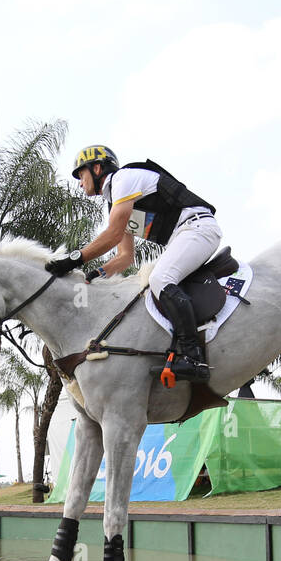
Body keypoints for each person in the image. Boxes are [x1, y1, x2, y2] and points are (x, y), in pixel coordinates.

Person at [46, 145, 220, 383]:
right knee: (155, 284)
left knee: (160, 279)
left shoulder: (123, 179)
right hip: (183, 235)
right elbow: (125, 256)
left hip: (197, 227)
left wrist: (73, 259)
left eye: (81, 174)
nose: (79, 182)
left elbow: (114, 233)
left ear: (97, 168)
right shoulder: (116, 201)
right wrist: (95, 274)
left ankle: (193, 358)